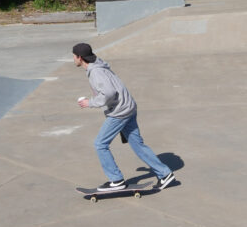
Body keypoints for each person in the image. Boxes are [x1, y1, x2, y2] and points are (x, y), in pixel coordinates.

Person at [72, 43, 175, 191]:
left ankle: (116, 180)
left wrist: (91, 103)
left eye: (74, 56)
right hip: (128, 107)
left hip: (120, 112)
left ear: (80, 58)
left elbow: (108, 93)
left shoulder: (96, 72)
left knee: (100, 144)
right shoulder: (99, 66)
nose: (73, 59)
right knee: (138, 145)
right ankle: (165, 174)